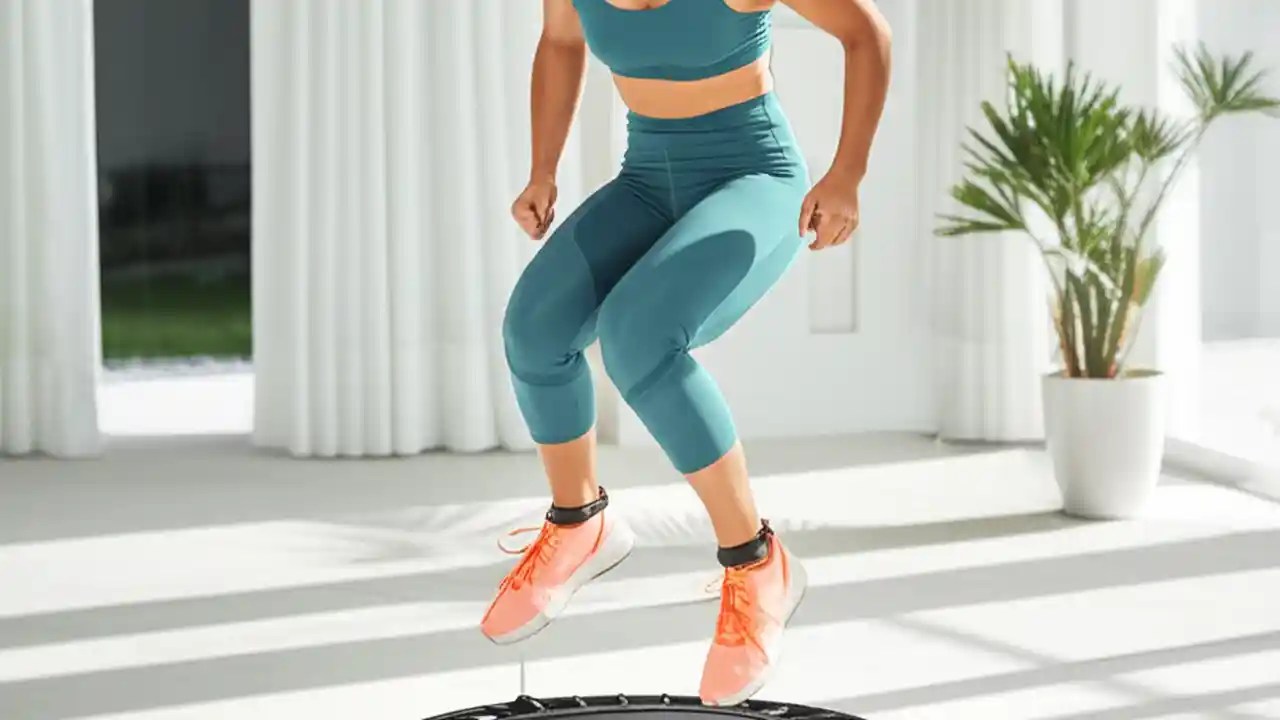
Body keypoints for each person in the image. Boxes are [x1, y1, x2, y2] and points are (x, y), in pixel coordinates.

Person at [481, 0, 891, 705]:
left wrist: (846, 175)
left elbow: (866, 33)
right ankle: (581, 523)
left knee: (640, 339)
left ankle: (759, 563)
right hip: (647, 180)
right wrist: (542, 169)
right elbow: (558, 42)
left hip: (753, 177)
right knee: (535, 330)